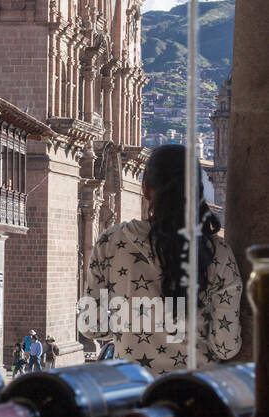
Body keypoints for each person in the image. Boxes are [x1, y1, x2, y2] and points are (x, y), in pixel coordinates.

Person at [83, 143, 242, 374]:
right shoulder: (218, 253)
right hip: (197, 393)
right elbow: (227, 347)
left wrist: (130, 323)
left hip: (136, 394)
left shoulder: (111, 242)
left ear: (145, 189)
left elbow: (91, 326)